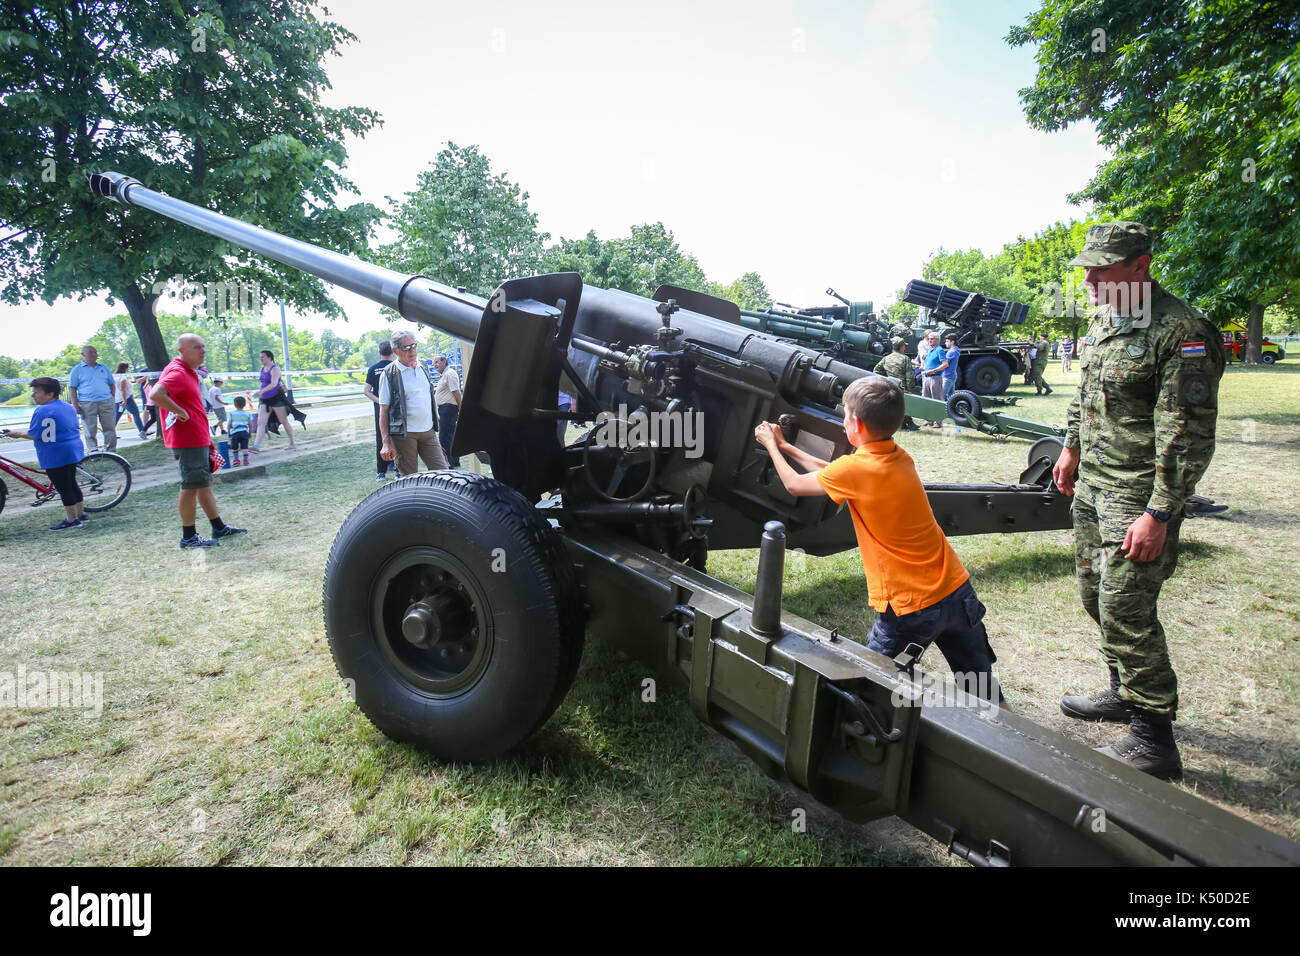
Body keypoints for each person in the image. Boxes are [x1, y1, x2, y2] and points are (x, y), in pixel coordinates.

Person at [1052, 221, 1225, 780]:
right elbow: (1087, 392)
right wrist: (1070, 447)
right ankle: (1122, 692)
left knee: (1126, 606)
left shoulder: (1183, 331)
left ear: (1141, 266)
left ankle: (1154, 739)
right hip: (1095, 483)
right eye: (1089, 268)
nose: (1092, 278)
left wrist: (1160, 511)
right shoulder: (1107, 318)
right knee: (1094, 597)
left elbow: (1186, 432)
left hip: (1140, 493)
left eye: (1103, 268)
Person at [753, 376, 1005, 707]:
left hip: (910, 605)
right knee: (983, 689)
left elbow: (796, 485)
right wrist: (787, 446)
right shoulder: (898, 456)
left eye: (844, 415)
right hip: (956, 591)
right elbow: (832, 473)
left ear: (854, 423)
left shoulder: (856, 470)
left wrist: (770, 444)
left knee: (865, 685)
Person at [150, 333, 247, 549]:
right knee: (191, 485)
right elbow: (156, 394)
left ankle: (218, 527)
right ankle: (189, 537)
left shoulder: (189, 372)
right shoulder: (177, 372)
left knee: (203, 484)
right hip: (188, 439)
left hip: (197, 436)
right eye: (196, 347)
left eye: (203, 346)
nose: (202, 350)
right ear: (182, 350)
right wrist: (180, 412)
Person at [1, 378, 87, 530]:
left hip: (54, 454)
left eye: (36, 392)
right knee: (72, 483)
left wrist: (16, 434)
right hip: (72, 450)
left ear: (50, 394)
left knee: (63, 488)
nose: (33, 395)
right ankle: (81, 514)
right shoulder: (67, 406)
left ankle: (71, 519)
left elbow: (34, 434)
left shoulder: (42, 410)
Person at [379, 332, 449, 476]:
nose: (412, 351)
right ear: (395, 351)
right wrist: (386, 443)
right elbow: (383, 410)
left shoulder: (423, 366)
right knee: (410, 478)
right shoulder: (389, 374)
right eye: (406, 348)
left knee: (443, 473)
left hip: (428, 431)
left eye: (413, 346)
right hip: (404, 435)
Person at [68, 345, 117, 452]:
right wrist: (75, 404)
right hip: (86, 403)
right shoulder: (76, 370)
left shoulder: (104, 368)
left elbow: (112, 384)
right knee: (90, 430)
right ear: (83, 354)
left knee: (110, 428)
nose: (94, 354)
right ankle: (93, 451)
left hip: (106, 401)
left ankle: (111, 451)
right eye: (90, 352)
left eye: (95, 352)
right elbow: (72, 388)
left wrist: (111, 397)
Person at [251, 350, 296, 452]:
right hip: (264, 400)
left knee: (284, 421)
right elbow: (263, 382)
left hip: (276, 399)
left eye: (263, 357)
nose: (261, 359)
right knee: (261, 423)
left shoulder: (275, 369)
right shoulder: (262, 369)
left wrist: (261, 391)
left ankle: (292, 442)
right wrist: (260, 392)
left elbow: (274, 384)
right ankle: (256, 446)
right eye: (260, 357)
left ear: (269, 358)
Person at [364, 340, 395, 481]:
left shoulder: (373, 369)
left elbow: (366, 391)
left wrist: (381, 403)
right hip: (395, 410)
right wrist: (387, 403)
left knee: (381, 439)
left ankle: (380, 473)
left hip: (380, 411)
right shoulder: (396, 367)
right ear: (393, 351)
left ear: (379, 352)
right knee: (397, 438)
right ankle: (398, 470)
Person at [875, 337, 919, 430]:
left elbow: (876, 370)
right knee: (904, 405)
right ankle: (907, 424)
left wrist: (884, 381)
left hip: (890, 386)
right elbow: (910, 376)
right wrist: (910, 389)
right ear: (902, 347)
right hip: (902, 387)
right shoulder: (905, 359)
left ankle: (904, 423)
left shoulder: (886, 358)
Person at [433, 353, 463, 468]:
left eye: (437, 362)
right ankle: (452, 461)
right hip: (445, 409)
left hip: (449, 409)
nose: (435, 365)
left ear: (444, 361)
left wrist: (460, 408)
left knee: (445, 437)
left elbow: (456, 392)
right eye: (434, 362)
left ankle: (449, 462)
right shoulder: (444, 375)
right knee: (447, 436)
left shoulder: (450, 374)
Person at [114, 362, 147, 440]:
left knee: (116, 417)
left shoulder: (114, 377)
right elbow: (123, 390)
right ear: (125, 369)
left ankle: (110, 433)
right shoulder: (123, 378)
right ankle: (142, 431)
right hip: (127, 399)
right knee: (136, 414)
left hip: (117, 399)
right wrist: (124, 400)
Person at [919, 330, 948, 413]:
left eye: (932, 339)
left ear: (938, 340)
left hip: (935, 378)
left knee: (936, 400)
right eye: (929, 339)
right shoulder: (930, 350)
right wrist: (924, 368)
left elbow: (945, 364)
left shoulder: (939, 350)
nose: (929, 341)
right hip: (926, 377)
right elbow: (931, 364)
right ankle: (928, 419)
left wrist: (934, 370)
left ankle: (938, 421)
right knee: (926, 399)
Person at [228, 395, 252, 466]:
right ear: (244, 404)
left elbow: (229, 424)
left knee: (234, 447)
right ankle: (245, 461)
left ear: (235, 405)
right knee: (245, 447)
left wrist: (229, 432)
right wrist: (250, 433)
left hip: (235, 433)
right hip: (244, 432)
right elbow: (250, 424)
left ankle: (236, 460)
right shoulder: (247, 413)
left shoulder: (232, 413)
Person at [941, 332, 961, 401]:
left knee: (941, 396)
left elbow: (945, 364)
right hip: (952, 375)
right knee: (951, 397)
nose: (945, 343)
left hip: (948, 376)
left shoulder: (951, 352)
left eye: (947, 341)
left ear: (952, 342)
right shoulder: (956, 349)